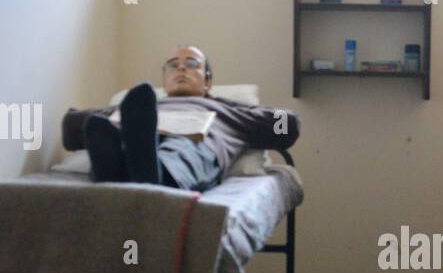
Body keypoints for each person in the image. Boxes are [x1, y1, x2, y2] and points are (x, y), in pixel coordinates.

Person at [61, 45, 299, 190]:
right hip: (143, 130)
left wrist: (236, 106)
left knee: (180, 150)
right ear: (164, 82)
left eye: (192, 64)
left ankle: (142, 176)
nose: (181, 69)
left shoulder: (225, 110)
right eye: (173, 65)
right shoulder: (140, 107)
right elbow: (72, 127)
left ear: (207, 81)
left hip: (194, 144)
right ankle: (129, 170)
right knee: (104, 128)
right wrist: (104, 120)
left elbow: (287, 125)